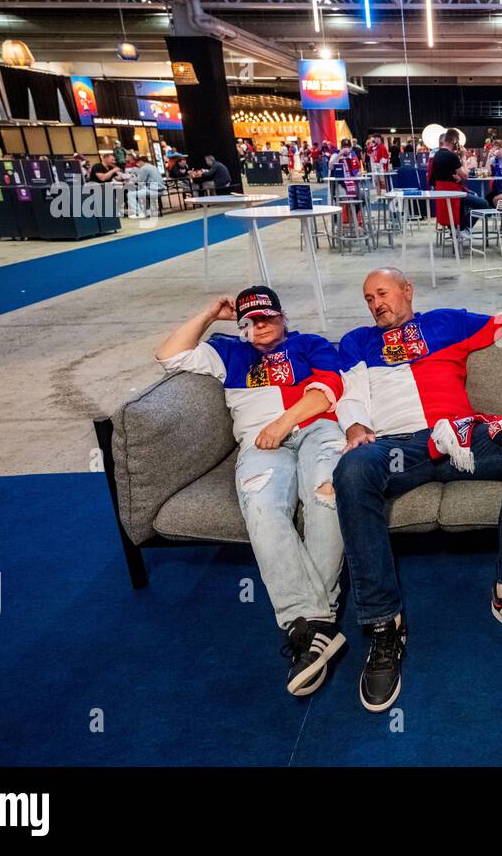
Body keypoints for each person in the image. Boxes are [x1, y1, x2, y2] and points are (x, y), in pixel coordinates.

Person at [332, 268, 502, 712]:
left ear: (407, 291)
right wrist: (355, 427)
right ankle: (384, 625)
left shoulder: (447, 322)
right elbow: (349, 393)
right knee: (351, 470)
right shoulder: (358, 341)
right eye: (368, 298)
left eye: (382, 293)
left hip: (459, 438)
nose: (376, 303)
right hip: (398, 446)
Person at [156, 286, 364, 697]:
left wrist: (282, 424)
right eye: (250, 320)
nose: (261, 325)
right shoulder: (227, 351)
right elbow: (169, 355)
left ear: (283, 316)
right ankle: (315, 624)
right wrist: (209, 313)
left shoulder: (310, 343)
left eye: (268, 317)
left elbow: (328, 389)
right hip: (260, 445)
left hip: (315, 430)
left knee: (326, 495)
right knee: (262, 508)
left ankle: (308, 631)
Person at [429, 128, 488, 247]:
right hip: (454, 193)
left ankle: (457, 229)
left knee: (468, 203)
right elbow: (465, 175)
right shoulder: (452, 156)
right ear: (454, 141)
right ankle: (463, 228)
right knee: (483, 204)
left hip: (442, 193)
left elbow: (445, 175)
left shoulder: (436, 155)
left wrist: (459, 177)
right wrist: (464, 157)